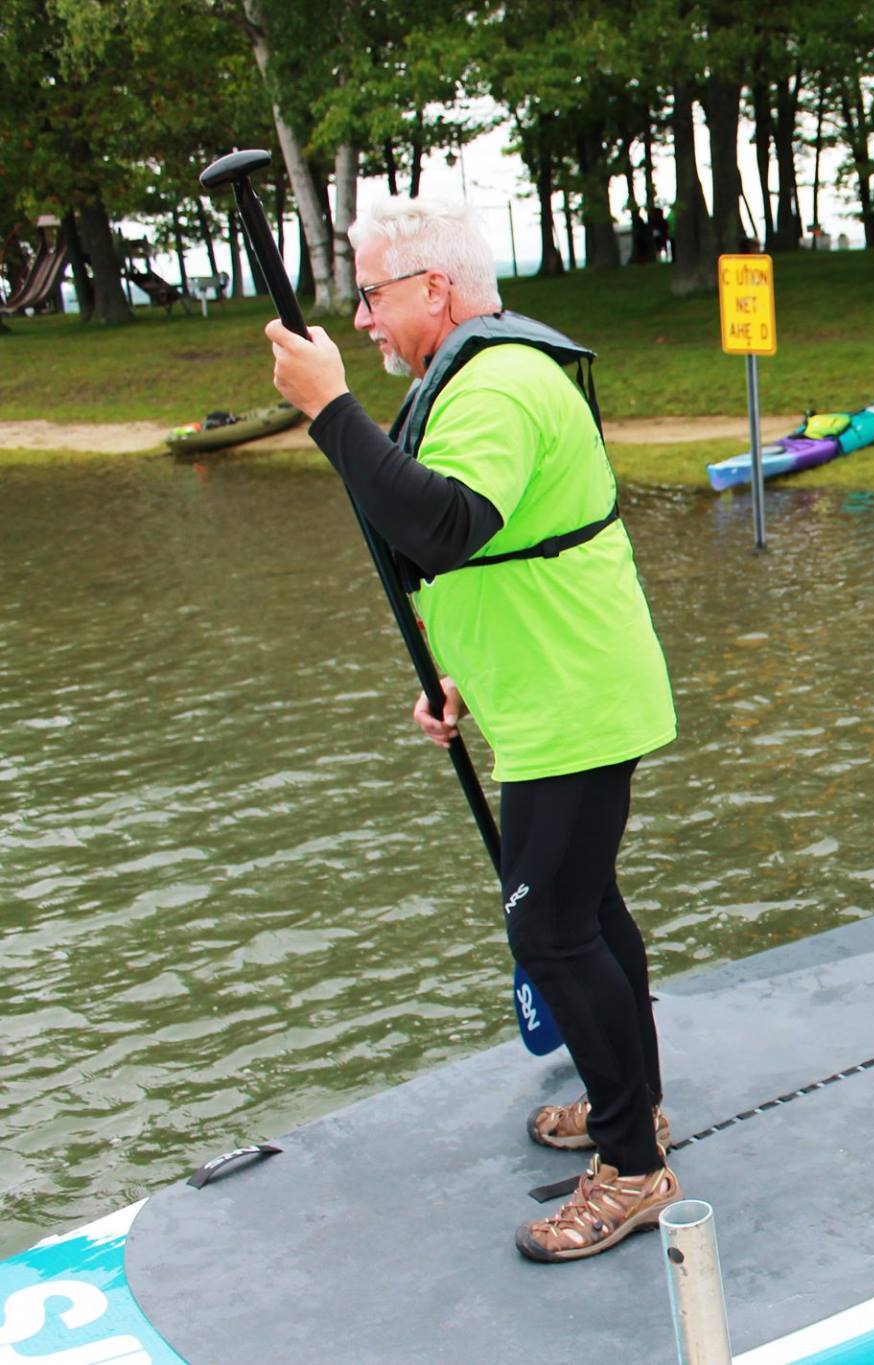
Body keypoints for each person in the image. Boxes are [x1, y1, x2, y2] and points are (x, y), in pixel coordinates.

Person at [263, 196, 681, 1262]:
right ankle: (633, 1106)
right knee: (585, 911)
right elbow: (466, 541)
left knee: (549, 930)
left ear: (434, 290)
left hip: (574, 701)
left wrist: (328, 410)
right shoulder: (480, 376)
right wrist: (453, 667)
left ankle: (632, 1168)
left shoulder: (495, 381)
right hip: (553, 693)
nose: (360, 319)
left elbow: (445, 524)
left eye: (371, 295)